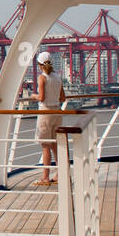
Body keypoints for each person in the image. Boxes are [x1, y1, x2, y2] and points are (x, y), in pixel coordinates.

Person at [33, 51, 66, 186]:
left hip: (46, 112)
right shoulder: (57, 77)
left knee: (45, 145)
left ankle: (45, 177)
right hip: (57, 112)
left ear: (40, 65)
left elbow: (41, 98)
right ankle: (60, 174)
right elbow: (63, 98)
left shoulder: (42, 78)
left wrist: (32, 96)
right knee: (55, 144)